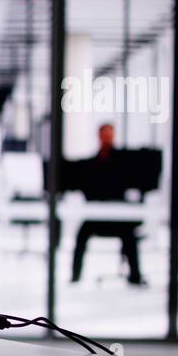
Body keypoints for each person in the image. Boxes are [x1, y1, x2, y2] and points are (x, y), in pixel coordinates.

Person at [69, 123, 146, 287]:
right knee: (81, 234)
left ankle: (135, 276)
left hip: (117, 217)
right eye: (104, 135)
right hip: (97, 217)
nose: (107, 138)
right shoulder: (91, 163)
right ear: (99, 137)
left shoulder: (123, 162)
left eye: (109, 135)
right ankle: (75, 276)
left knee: (129, 235)